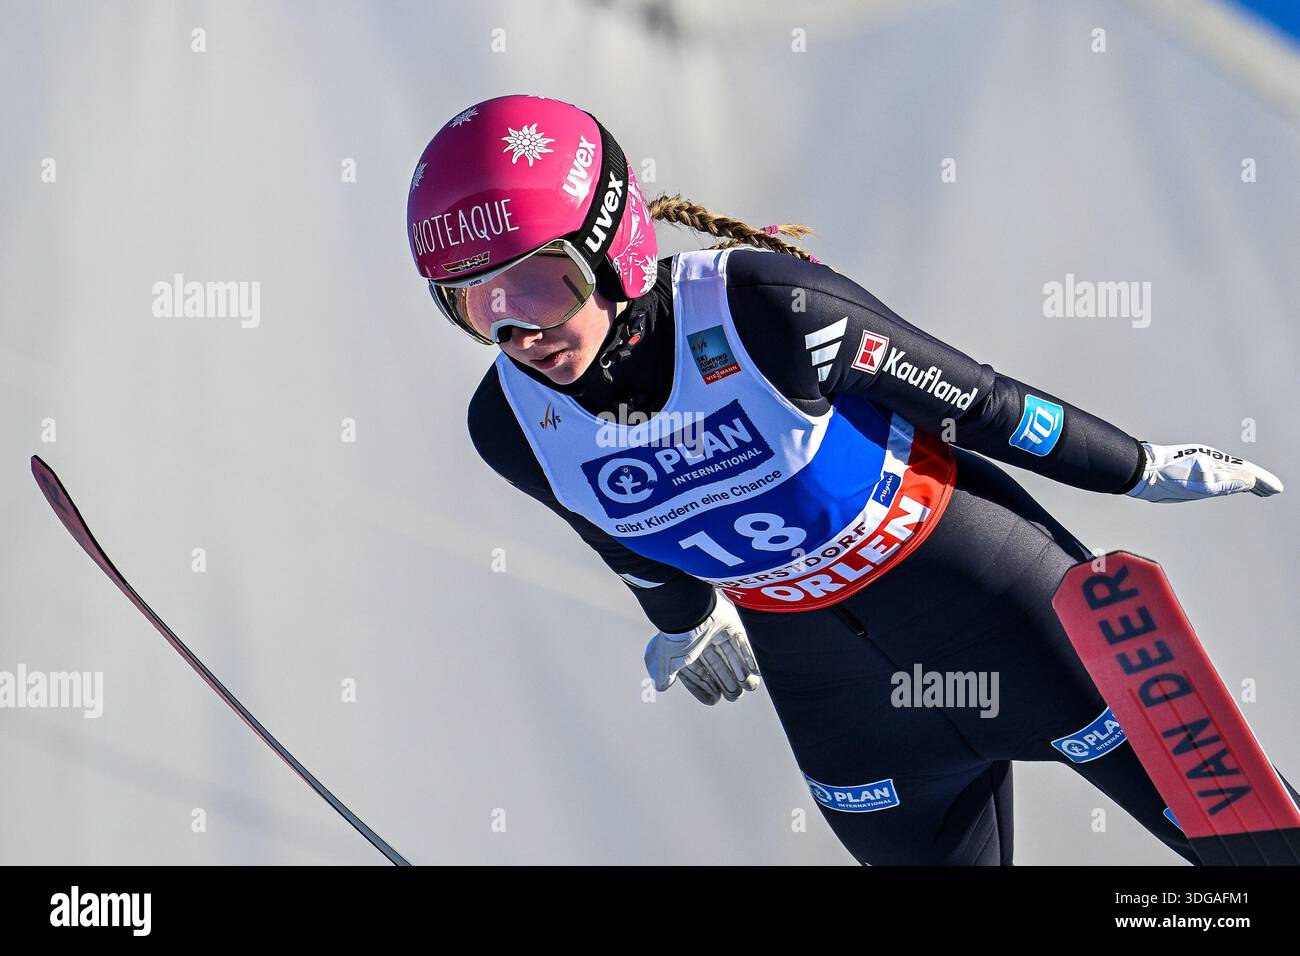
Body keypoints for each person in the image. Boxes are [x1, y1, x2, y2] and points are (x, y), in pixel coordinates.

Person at [407, 94, 1286, 865]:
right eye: (476, 302)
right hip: (842, 699)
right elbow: (617, 540)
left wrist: (1136, 467)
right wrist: (684, 619)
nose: (520, 332)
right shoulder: (510, 426)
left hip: (996, 608)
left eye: (540, 286)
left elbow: (981, 404)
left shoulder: (760, 309)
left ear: (615, 250)